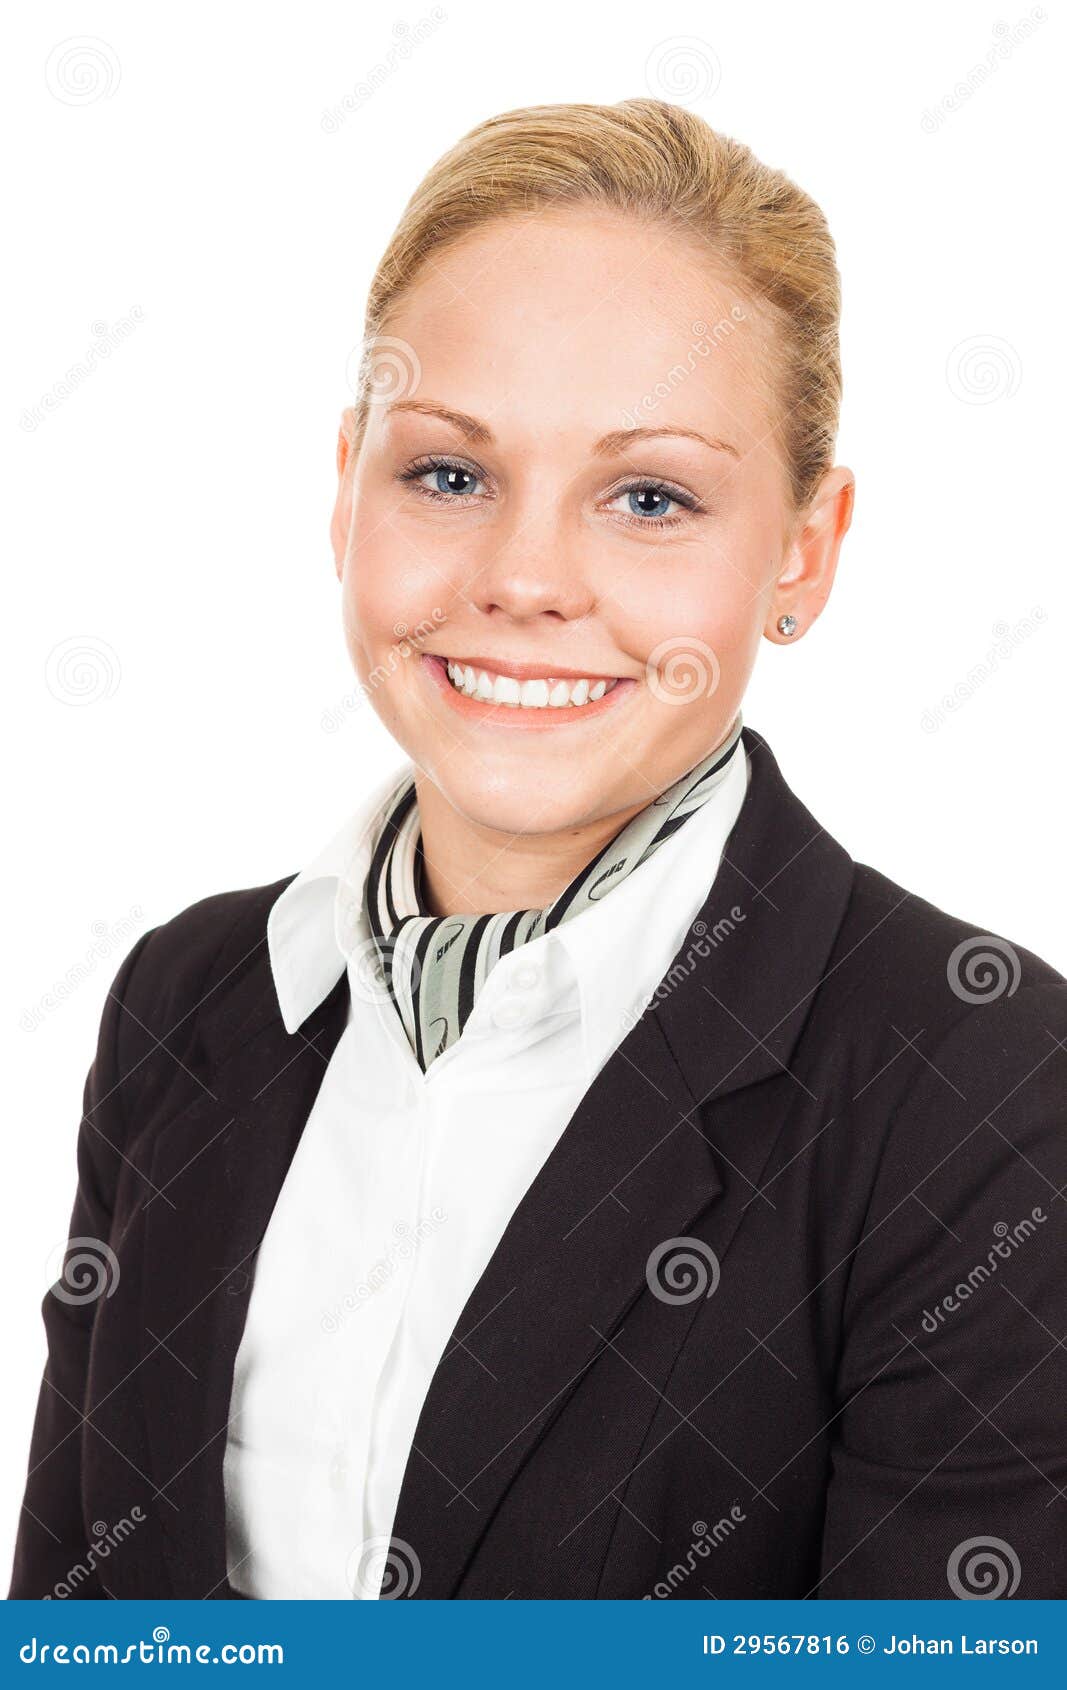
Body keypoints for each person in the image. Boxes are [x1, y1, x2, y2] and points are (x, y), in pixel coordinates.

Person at [10, 98, 1066, 1602]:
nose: (522, 577)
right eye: (448, 474)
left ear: (803, 553)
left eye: (651, 498)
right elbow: (82, 1623)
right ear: (346, 485)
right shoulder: (189, 1004)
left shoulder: (987, 1081)